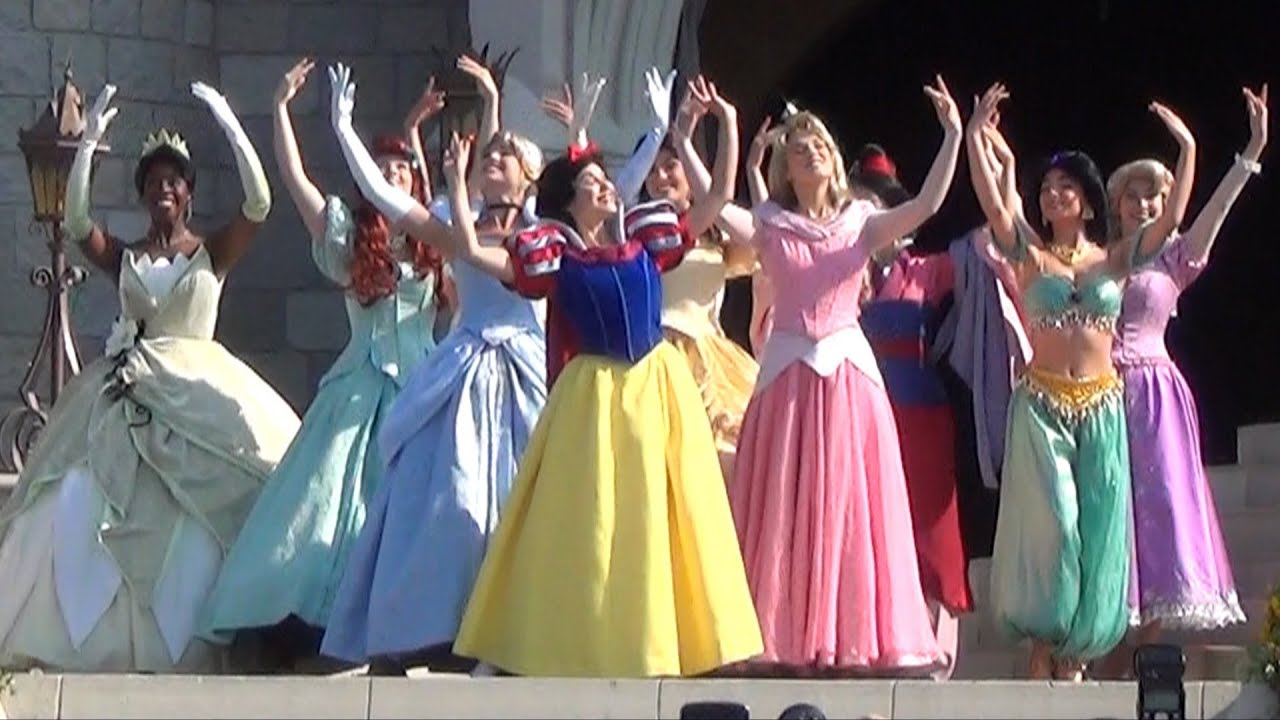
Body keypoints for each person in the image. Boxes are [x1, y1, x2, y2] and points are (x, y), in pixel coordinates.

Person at [424, 70, 762, 677]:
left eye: (607, 181)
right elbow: (476, 255)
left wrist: (725, 124)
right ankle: (555, 639)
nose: (607, 188)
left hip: (656, 387)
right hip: (594, 395)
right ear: (571, 199)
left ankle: (674, 642)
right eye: (593, 182)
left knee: (667, 515)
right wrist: (454, 182)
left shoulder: (645, 239)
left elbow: (715, 199)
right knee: (590, 518)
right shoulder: (554, 252)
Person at [0, 81, 300, 672]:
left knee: (231, 495)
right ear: (144, 194)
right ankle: (85, 639)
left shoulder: (212, 252)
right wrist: (88, 145)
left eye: (175, 180)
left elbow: (260, 202)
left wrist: (230, 123)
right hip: (123, 389)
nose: (164, 187)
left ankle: (233, 633)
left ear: (188, 193)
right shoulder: (126, 255)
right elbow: (77, 218)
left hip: (199, 389)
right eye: (154, 180)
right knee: (76, 492)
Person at [198, 58, 449, 668]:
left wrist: (424, 126)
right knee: (326, 497)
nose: (393, 175)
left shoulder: (432, 238)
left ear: (415, 184)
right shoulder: (347, 238)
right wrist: (281, 109)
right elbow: (297, 182)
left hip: (422, 385)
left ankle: (419, 620)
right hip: (359, 388)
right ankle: (315, 618)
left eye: (402, 170)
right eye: (383, 168)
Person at [716, 77, 963, 676]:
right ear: (784, 167)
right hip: (787, 379)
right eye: (797, 149)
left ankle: (853, 637)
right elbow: (710, 205)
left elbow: (925, 206)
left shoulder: (860, 221)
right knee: (784, 507)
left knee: (850, 504)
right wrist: (719, 132)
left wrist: (954, 135)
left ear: (833, 161)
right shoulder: (771, 223)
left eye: (819, 145)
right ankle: (785, 639)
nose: (809, 153)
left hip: (848, 375)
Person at [318, 59, 549, 674]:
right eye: (488, 155)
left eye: (504, 156)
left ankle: (517, 632)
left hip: (530, 369)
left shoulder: (546, 231)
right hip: (466, 368)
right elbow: (386, 198)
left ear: (528, 177)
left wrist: (499, 99)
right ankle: (438, 629)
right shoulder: (454, 220)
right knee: (447, 496)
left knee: (528, 500)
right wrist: (342, 129)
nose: (492, 158)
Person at [965, 81, 1195, 680]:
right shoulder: (1029, 256)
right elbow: (994, 205)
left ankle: (1071, 654)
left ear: (1088, 203)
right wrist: (973, 138)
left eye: (1066, 187)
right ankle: (1047, 636)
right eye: (1046, 188)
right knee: (1058, 524)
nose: (1054, 193)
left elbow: (1171, 217)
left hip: (1102, 405)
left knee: (1097, 527)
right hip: (1042, 405)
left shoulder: (1114, 260)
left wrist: (1188, 146)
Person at [1095, 84, 1268, 678]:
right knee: (1104, 514)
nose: (1143, 204)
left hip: (1153, 393)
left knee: (1158, 512)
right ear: (1115, 205)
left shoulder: (1173, 258)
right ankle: (1098, 638)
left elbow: (1214, 212)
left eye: (1154, 195)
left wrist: (1249, 152)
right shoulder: (1097, 261)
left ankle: (1143, 646)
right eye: (1132, 195)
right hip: (1095, 396)